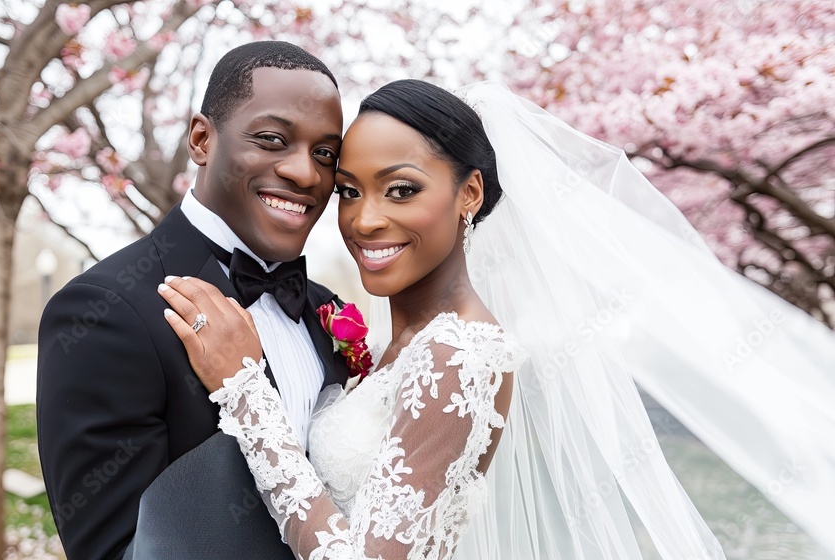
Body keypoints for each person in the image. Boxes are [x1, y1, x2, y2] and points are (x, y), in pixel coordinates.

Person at [159, 77, 835, 559]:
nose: (365, 219)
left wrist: (245, 393)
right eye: (348, 192)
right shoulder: (411, 343)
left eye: (402, 190)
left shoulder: (461, 354)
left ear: (469, 193)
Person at [36, 41, 350, 560]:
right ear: (202, 139)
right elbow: (115, 551)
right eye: (272, 139)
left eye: (325, 154)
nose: (306, 173)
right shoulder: (106, 312)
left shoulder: (327, 310)